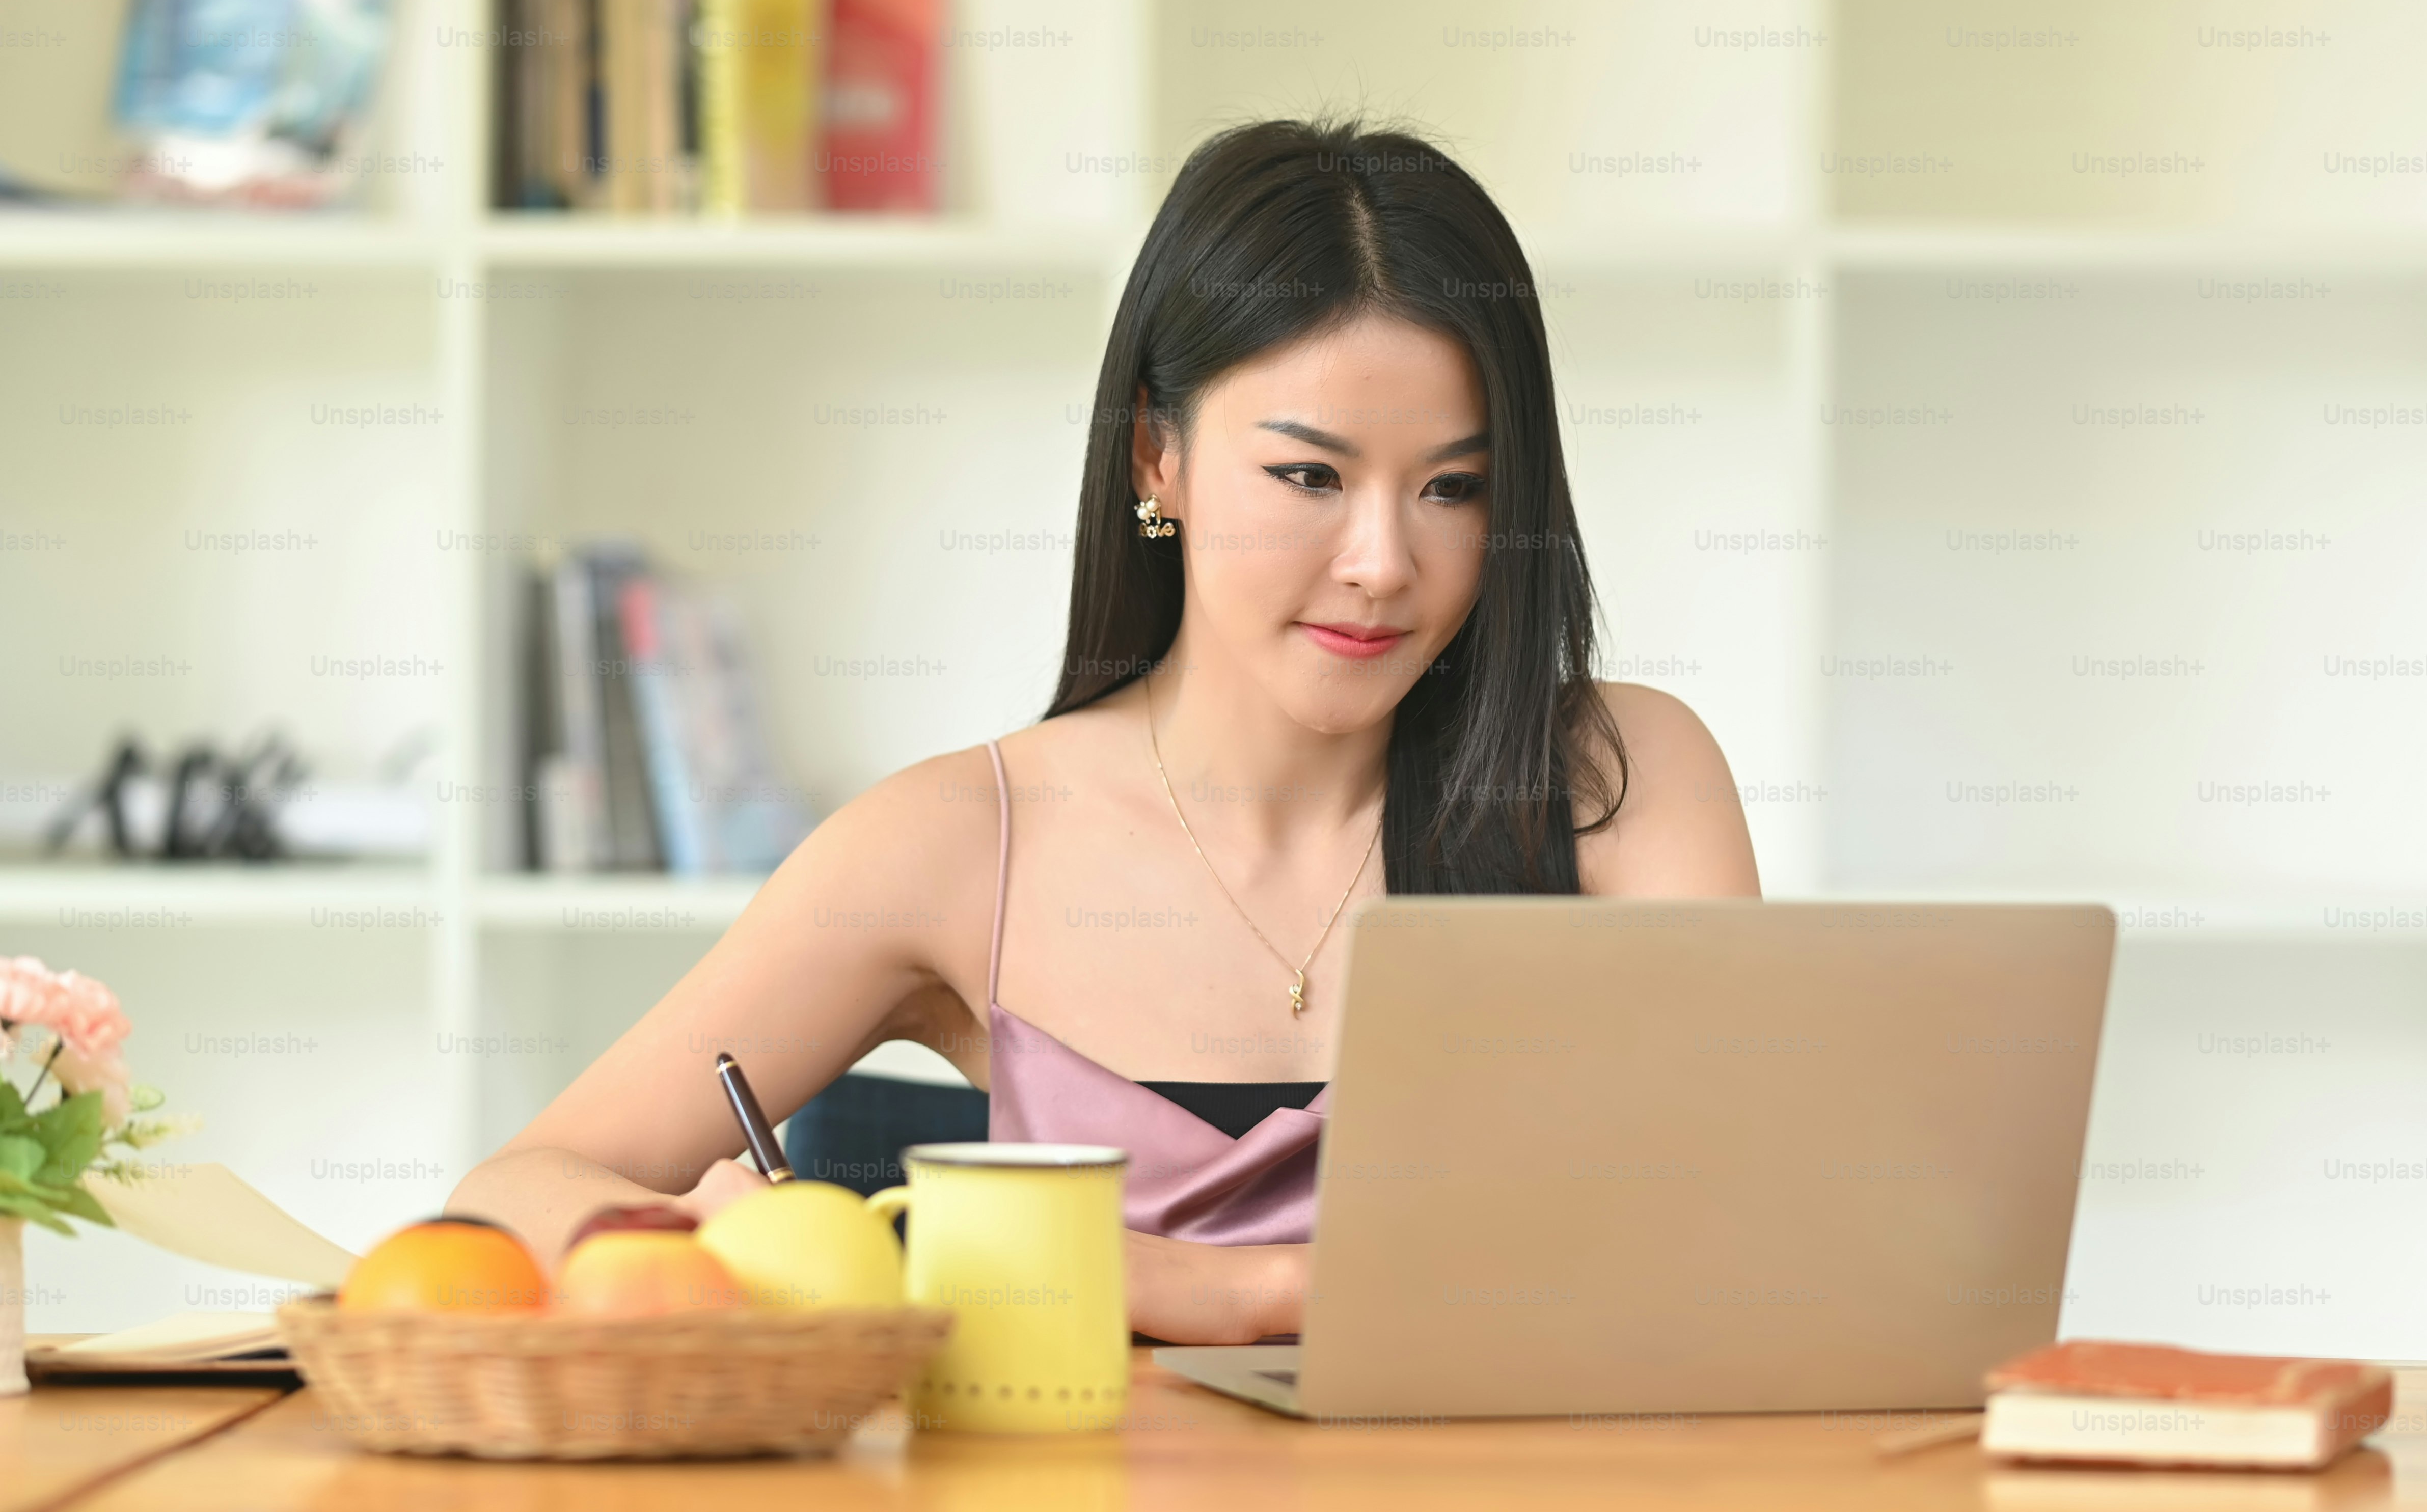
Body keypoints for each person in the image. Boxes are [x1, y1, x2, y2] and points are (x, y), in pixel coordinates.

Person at [448, 119, 1761, 1342]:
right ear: (1157, 459)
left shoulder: (1619, 782)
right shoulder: (961, 842)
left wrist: (1249, 1289)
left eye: (1455, 488)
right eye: (1309, 475)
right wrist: (693, 1242)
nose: (1383, 563)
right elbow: (512, 1190)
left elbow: (1741, 1233)